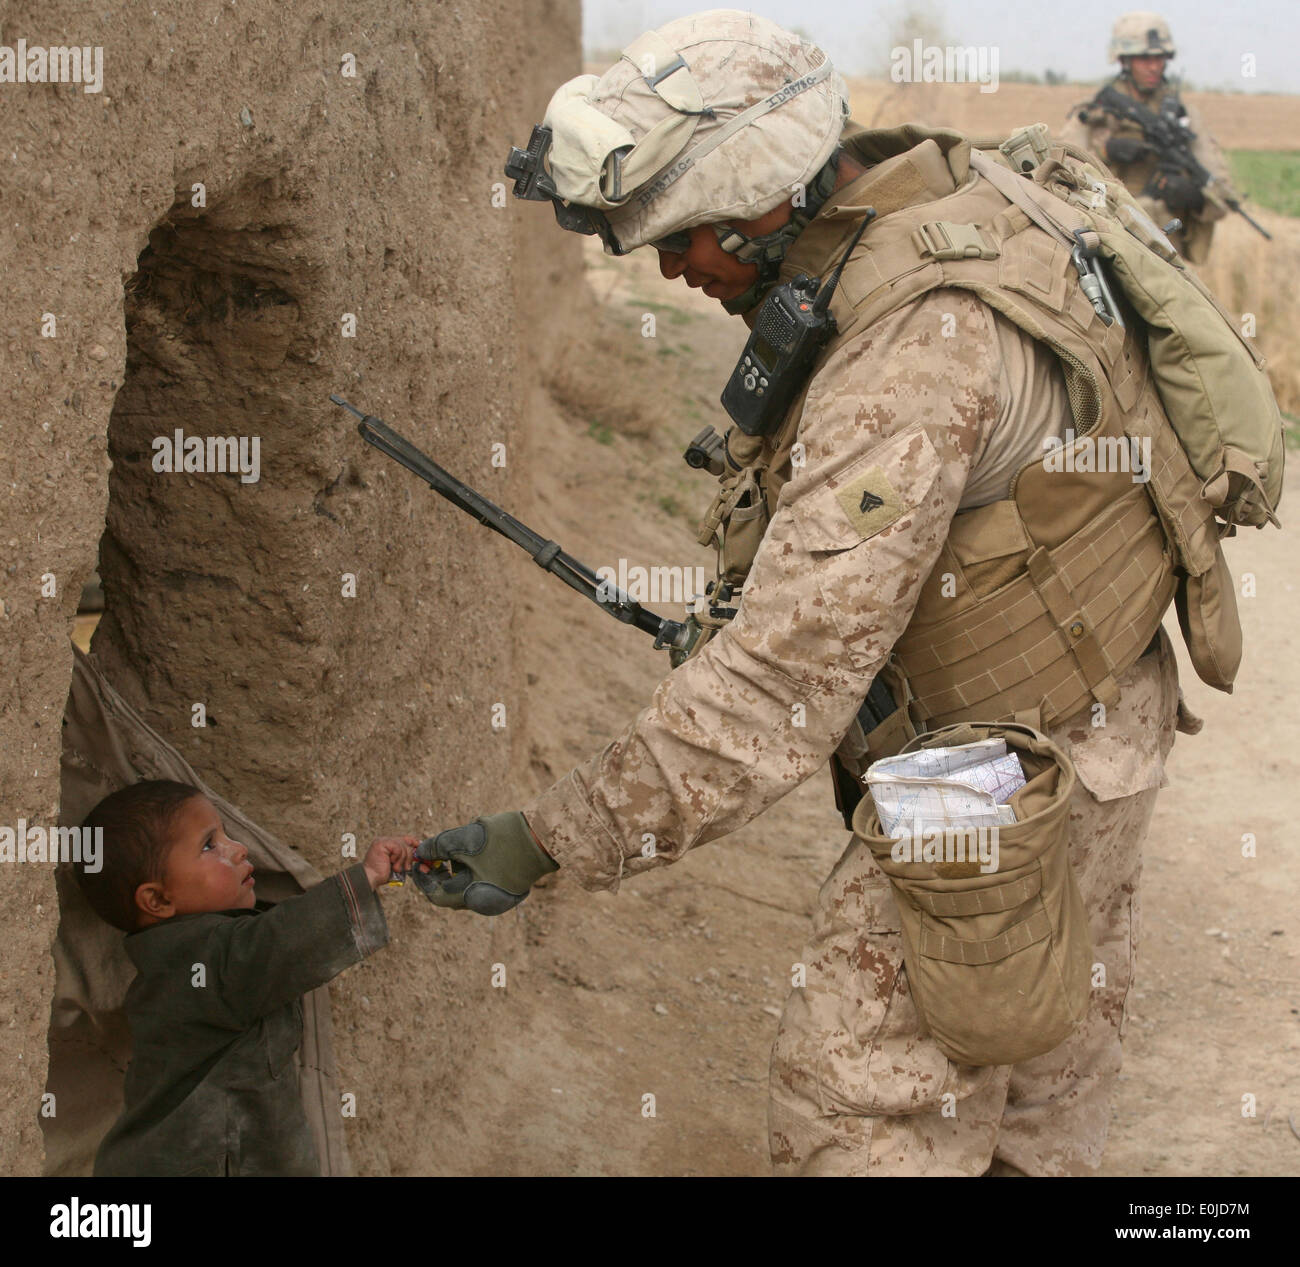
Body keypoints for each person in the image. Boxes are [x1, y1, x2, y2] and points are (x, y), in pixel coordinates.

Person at [413, 10, 1238, 1175]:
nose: (671, 271)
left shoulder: (910, 348)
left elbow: (784, 688)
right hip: (1096, 711)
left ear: (764, 201)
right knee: (1035, 1077)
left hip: (992, 769)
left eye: (681, 239)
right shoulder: (948, 203)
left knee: (857, 1113)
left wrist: (547, 842)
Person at [72, 778, 416, 1175]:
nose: (238, 849)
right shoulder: (201, 963)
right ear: (158, 900)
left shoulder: (187, 958)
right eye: (209, 845)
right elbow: (281, 943)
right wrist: (366, 877)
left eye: (227, 835)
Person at [1060, 11, 1241, 264]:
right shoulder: (1094, 113)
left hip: (1165, 253)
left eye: (1160, 58)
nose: (1155, 66)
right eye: (1145, 58)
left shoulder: (1183, 117)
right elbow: (1058, 177)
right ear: (1124, 60)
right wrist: (1105, 153)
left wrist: (1195, 197)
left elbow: (1221, 192)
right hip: (1105, 246)